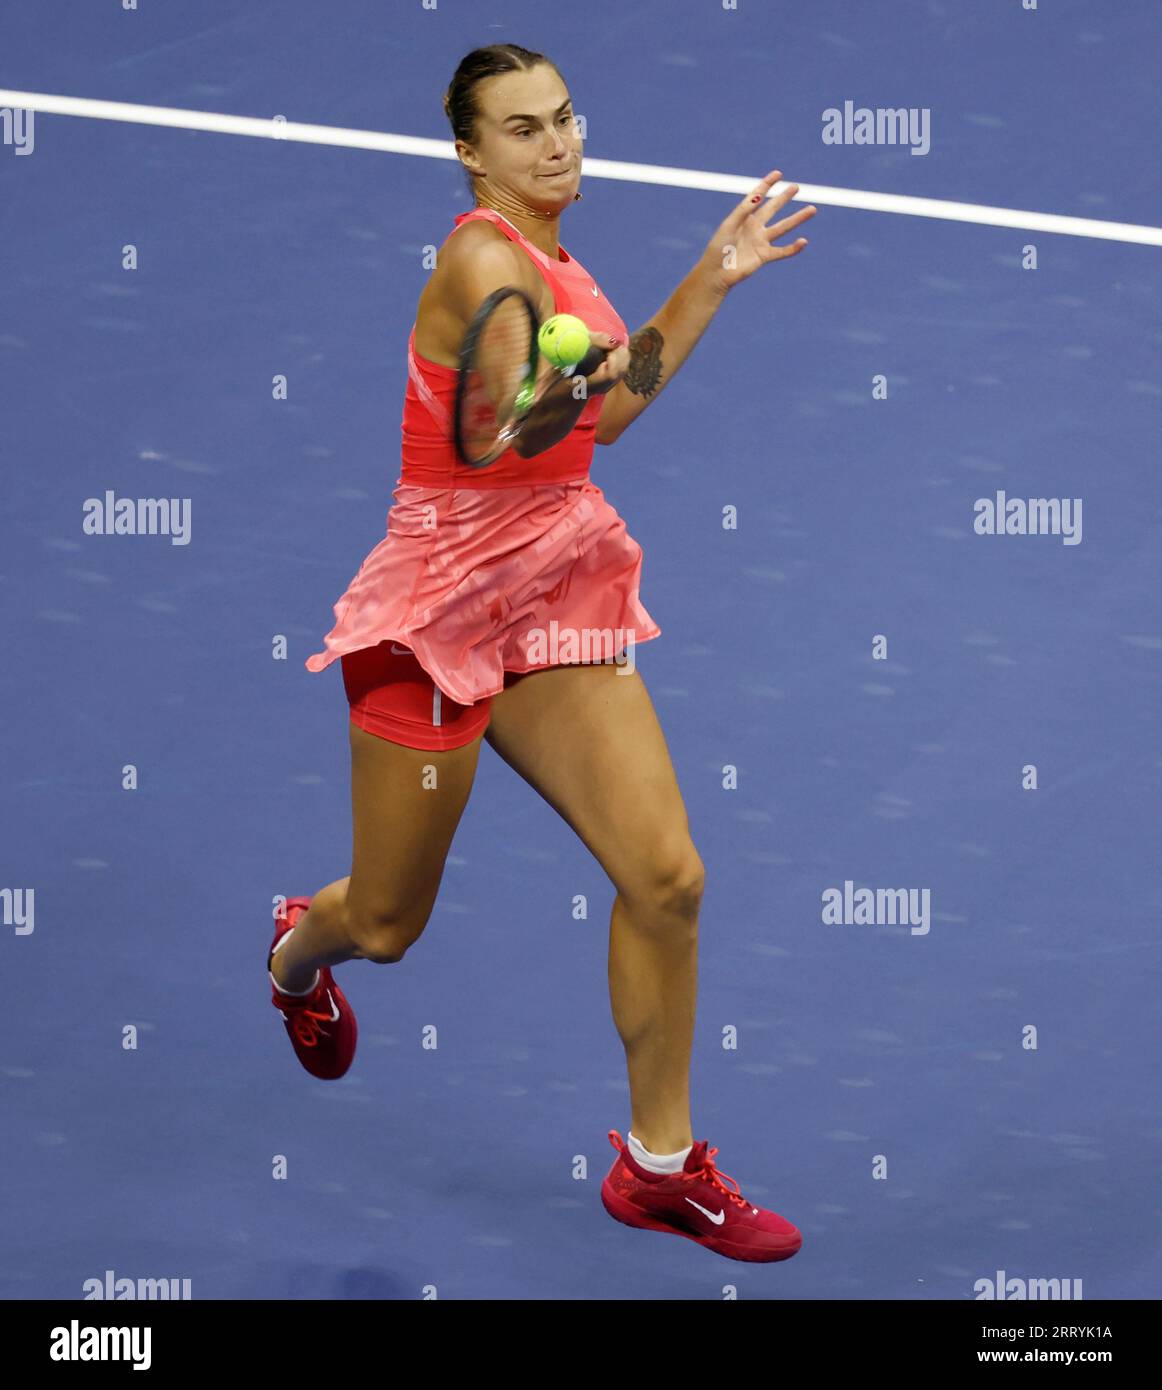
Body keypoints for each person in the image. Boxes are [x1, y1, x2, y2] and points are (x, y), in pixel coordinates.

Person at [266, 42, 816, 1264]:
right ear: (471, 155)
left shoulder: (562, 264)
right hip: (438, 617)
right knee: (389, 924)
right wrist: (569, 387)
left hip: (553, 589)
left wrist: (711, 279)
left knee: (667, 876)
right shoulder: (479, 257)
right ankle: (299, 951)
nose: (556, 143)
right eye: (521, 130)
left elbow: (604, 418)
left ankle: (661, 1168)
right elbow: (506, 440)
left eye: (563, 117)